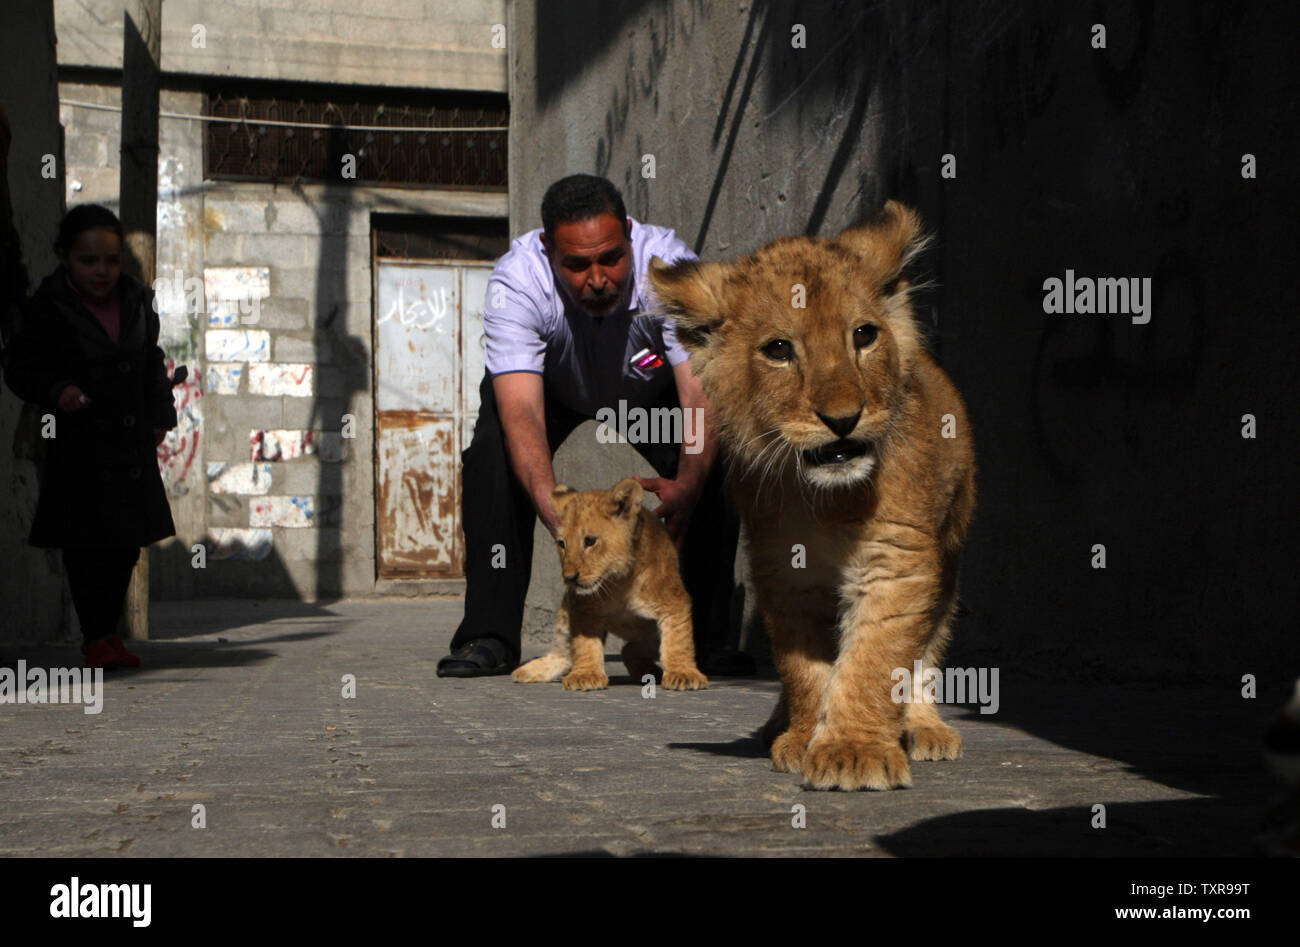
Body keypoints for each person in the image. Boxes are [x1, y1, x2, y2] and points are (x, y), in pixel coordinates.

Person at [437, 174, 752, 677]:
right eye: (577, 265)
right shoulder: (518, 282)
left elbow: (699, 393)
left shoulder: (669, 267)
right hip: (554, 391)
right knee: (491, 458)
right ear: (548, 251)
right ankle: (487, 637)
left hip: (646, 393)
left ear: (630, 235)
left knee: (717, 458)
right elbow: (521, 411)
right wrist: (553, 509)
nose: (598, 278)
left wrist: (688, 483)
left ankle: (705, 642)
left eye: (611, 258)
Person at [3, 203, 178, 669]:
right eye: (88, 260)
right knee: (86, 544)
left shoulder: (138, 302)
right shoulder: (47, 308)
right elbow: (20, 368)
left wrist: (161, 413)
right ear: (65, 257)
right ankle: (95, 635)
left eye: (111, 260)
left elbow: (151, 364)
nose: (101, 271)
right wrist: (57, 391)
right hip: (79, 445)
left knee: (125, 542)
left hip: (129, 443)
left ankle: (108, 632)